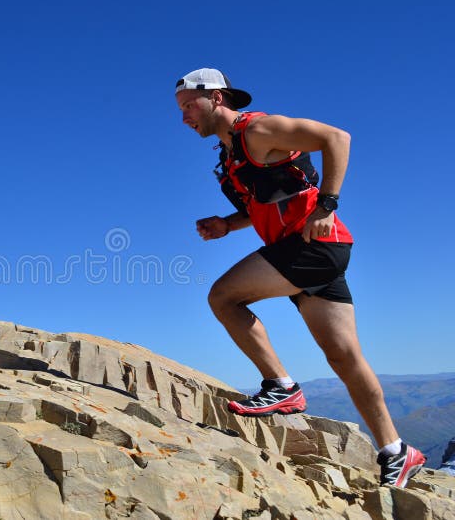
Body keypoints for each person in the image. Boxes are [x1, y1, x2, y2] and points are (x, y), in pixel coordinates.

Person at [175, 67, 425, 488]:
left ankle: (281, 385)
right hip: (309, 250)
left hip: (313, 245)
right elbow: (267, 202)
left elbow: (337, 138)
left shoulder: (257, 129)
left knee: (223, 297)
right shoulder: (230, 154)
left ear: (216, 98)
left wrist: (327, 206)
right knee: (344, 357)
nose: (184, 117)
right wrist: (226, 224)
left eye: (188, 107)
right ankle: (397, 451)